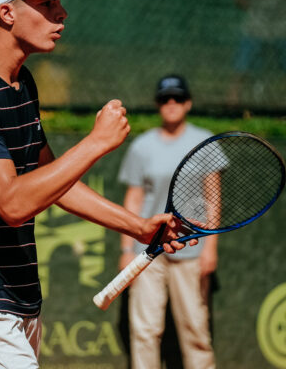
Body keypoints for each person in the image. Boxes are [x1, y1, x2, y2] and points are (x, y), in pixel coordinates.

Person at [0, 0, 195, 369]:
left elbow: (49, 180)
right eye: (47, 4)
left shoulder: (20, 84)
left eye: (58, 3)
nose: (61, 13)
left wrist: (137, 227)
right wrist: (96, 143)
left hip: (19, 298)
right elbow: (13, 204)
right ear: (8, 13)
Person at [117, 74, 217, 369]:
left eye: (177, 98)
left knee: (195, 329)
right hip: (148, 251)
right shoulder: (142, 146)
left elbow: (213, 199)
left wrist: (210, 248)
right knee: (146, 330)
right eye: (164, 99)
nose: (170, 104)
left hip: (191, 250)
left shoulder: (205, 142)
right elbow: (133, 199)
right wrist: (126, 250)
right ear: (157, 105)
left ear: (188, 103)